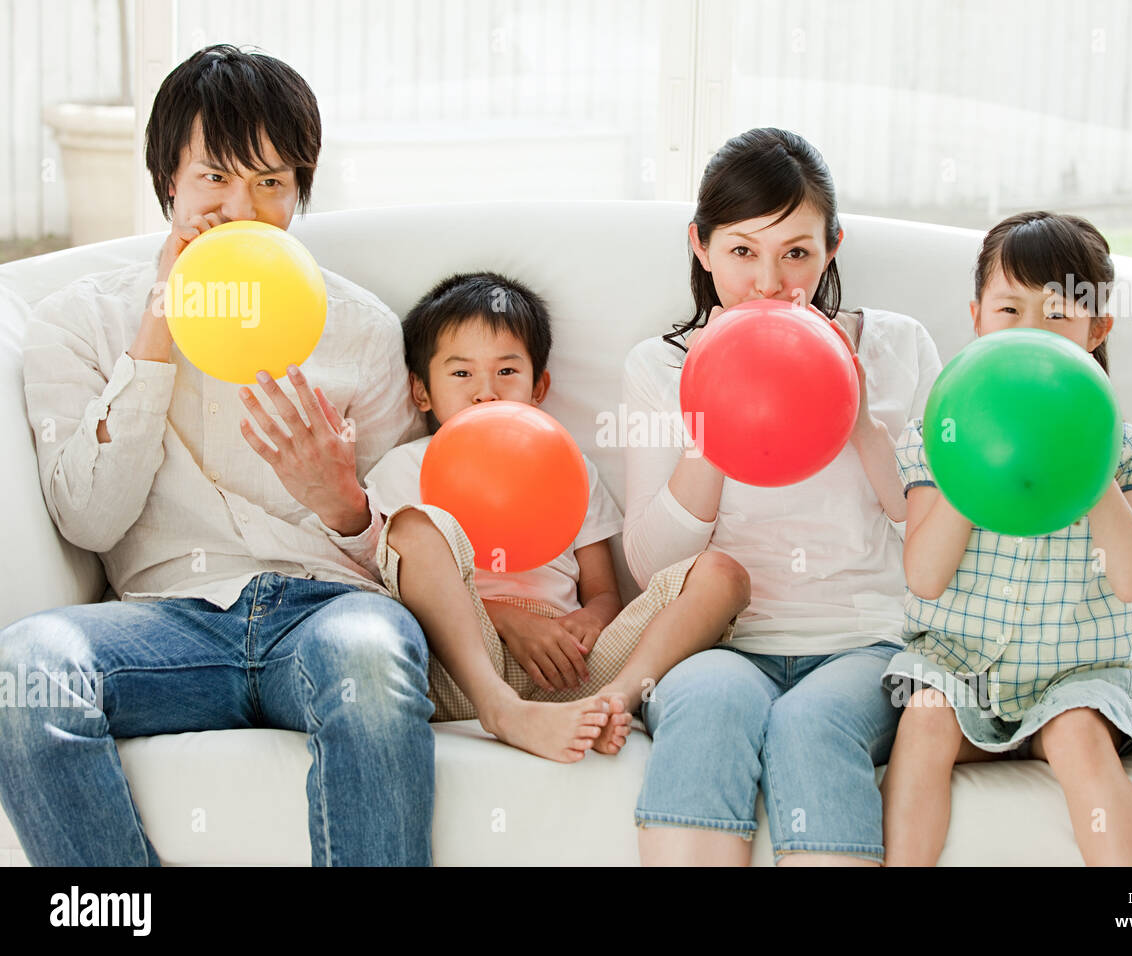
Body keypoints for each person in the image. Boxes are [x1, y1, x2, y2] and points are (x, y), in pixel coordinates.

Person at [0, 45, 436, 866]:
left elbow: (413, 560)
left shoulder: (361, 328)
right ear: (169, 180)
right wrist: (159, 328)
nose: (242, 210)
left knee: (371, 658)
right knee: (23, 669)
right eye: (215, 178)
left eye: (271, 182)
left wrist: (342, 503)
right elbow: (89, 521)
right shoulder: (79, 323)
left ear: (299, 189)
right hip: (165, 622)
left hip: (325, 614)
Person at [624, 127, 943, 865]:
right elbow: (651, 569)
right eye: (743, 251)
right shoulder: (658, 367)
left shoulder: (899, 348)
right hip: (724, 642)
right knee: (707, 706)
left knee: (811, 724)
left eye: (796, 253)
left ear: (832, 248)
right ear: (701, 246)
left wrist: (859, 421)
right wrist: (715, 418)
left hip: (869, 641)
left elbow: (933, 541)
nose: (769, 283)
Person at [880, 210, 1132, 867]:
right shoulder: (940, 437)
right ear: (976, 318)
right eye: (1009, 310)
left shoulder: (1129, 449)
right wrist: (969, 469)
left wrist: (1089, 464)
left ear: (1096, 331)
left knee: (1079, 737)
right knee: (925, 718)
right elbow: (924, 578)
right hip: (959, 669)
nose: (1029, 332)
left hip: (1074, 680)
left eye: (1056, 314)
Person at [365, 272, 749, 763]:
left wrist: (590, 620)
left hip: (574, 667)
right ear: (421, 391)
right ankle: (503, 711)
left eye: (507, 371)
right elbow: (398, 583)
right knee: (413, 528)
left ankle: (612, 705)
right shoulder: (405, 467)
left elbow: (603, 592)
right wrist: (511, 621)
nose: (486, 392)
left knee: (723, 574)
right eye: (461, 374)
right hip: (465, 664)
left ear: (538, 386)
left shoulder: (567, 464)